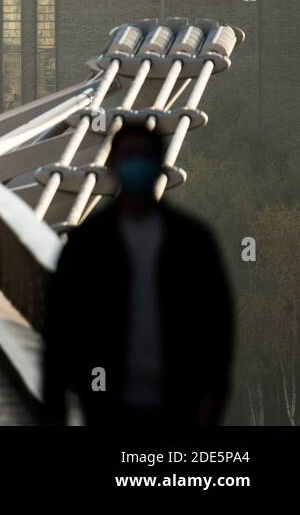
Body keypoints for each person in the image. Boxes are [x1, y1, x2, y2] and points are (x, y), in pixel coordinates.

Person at [42, 122, 233, 426]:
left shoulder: (193, 242)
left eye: (143, 157)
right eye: (128, 156)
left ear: (159, 167)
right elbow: (62, 327)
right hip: (106, 403)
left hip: (178, 402)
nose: (136, 166)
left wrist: (213, 398)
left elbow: (216, 326)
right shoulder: (87, 245)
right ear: (112, 165)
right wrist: (56, 406)